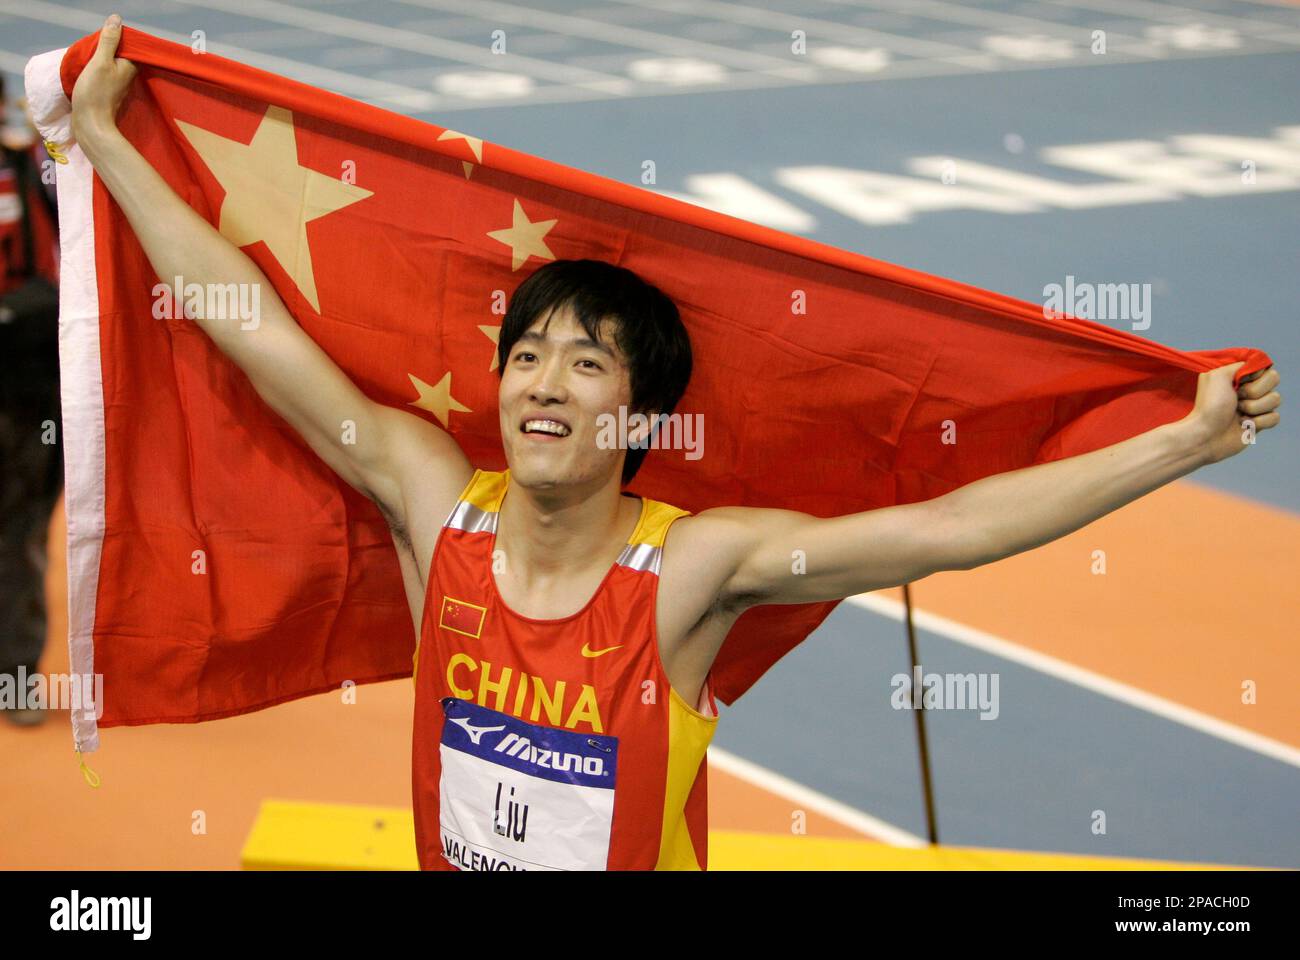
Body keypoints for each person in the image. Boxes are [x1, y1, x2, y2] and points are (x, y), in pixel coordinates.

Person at [68, 15, 1281, 870]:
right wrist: (112, 144)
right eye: (527, 357)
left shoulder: (689, 572)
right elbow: (252, 329)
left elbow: (949, 530)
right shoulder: (437, 513)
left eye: (586, 364)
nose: (544, 385)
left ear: (640, 421)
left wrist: (1176, 446)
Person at [0, 72, 62, 728]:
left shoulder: (34, 175)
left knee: (22, 532)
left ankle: (13, 677)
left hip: (31, 389)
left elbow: (65, 275)